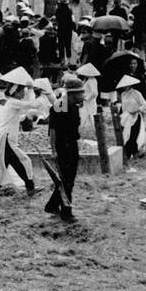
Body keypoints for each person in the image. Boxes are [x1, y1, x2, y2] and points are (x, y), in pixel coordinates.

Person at [44, 73, 82, 221]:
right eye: (80, 92)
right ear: (73, 93)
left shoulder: (74, 106)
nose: (82, 94)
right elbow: (52, 129)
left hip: (72, 144)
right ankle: (66, 212)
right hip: (62, 146)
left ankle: (52, 205)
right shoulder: (60, 106)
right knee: (66, 180)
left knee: (68, 179)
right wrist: (53, 150)